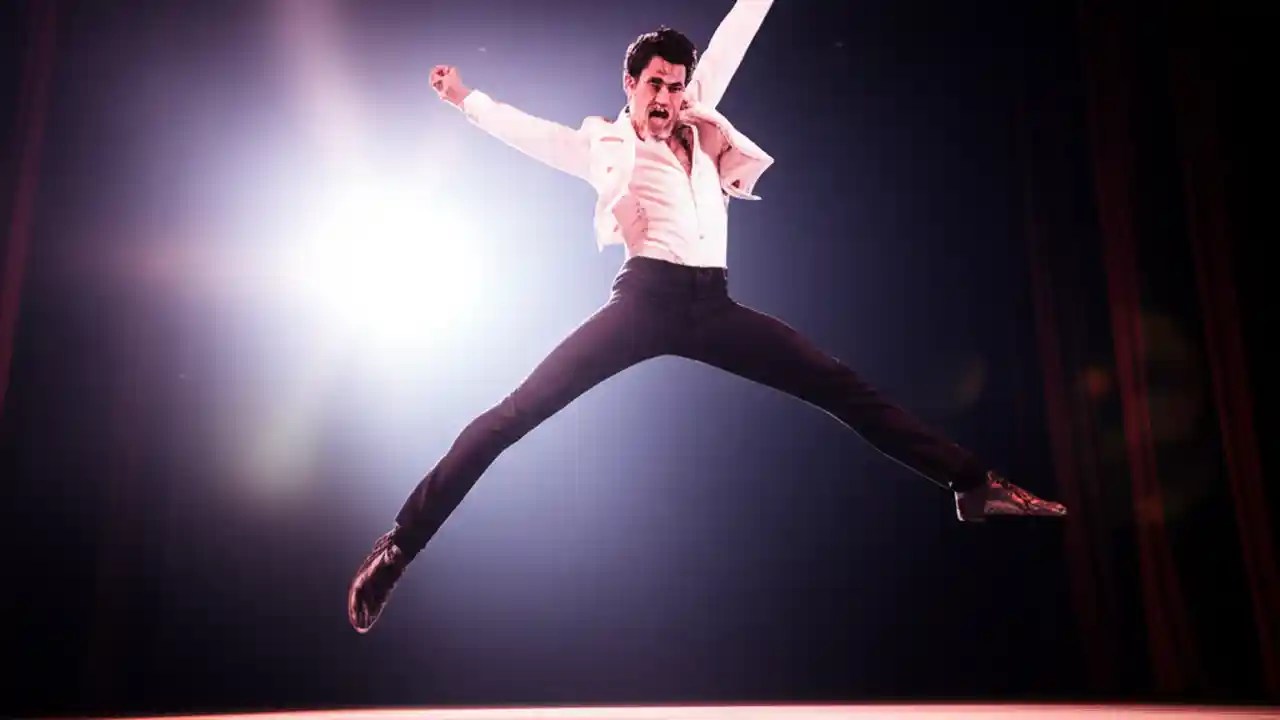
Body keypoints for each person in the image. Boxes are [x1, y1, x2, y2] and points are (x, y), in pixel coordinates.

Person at [348, 0, 1066, 634]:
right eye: (655, 84)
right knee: (513, 415)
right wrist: (464, 98)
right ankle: (399, 547)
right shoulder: (602, 140)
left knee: (842, 386)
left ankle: (973, 484)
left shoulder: (700, 116)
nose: (667, 98)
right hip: (643, 301)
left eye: (676, 85)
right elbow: (526, 131)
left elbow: (737, 30)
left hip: (712, 304)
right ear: (630, 85)